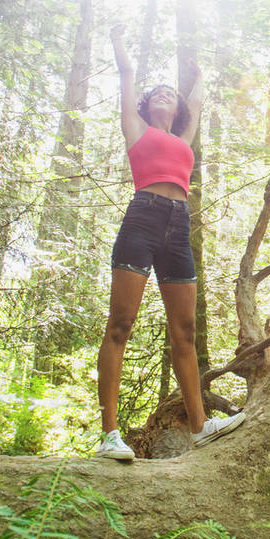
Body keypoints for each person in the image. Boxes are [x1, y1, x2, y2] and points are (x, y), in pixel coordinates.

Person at [95, 24, 245, 461]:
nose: (164, 94)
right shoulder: (136, 127)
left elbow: (196, 104)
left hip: (179, 226)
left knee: (184, 331)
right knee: (120, 325)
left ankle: (200, 427)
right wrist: (119, 39)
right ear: (145, 104)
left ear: (176, 107)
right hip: (142, 218)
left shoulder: (183, 138)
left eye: (170, 93)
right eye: (156, 92)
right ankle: (109, 435)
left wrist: (197, 76)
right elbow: (126, 74)